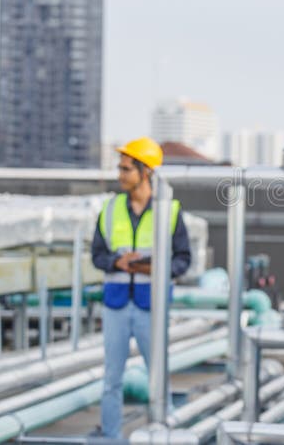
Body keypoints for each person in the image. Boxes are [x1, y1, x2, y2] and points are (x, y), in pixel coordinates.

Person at [91, 137, 191, 438]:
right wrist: (117, 262)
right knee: (112, 379)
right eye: (120, 168)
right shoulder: (110, 209)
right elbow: (97, 255)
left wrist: (155, 267)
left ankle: (165, 435)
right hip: (117, 305)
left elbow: (183, 260)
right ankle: (111, 438)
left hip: (152, 306)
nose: (120, 175)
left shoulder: (170, 211)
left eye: (126, 169)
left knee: (159, 378)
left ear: (145, 171)